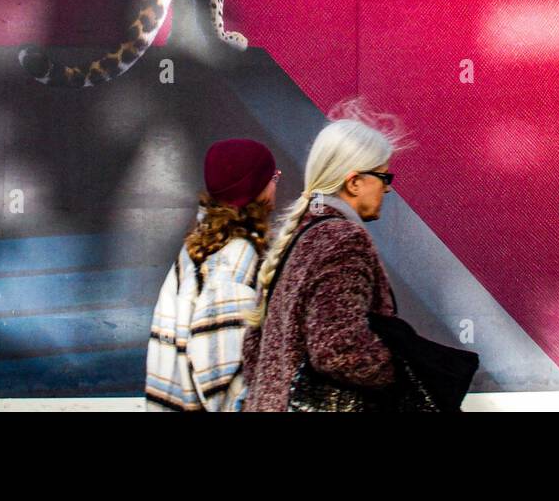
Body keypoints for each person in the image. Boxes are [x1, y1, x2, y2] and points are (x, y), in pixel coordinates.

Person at [241, 108, 403, 411]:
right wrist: (406, 369)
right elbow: (337, 348)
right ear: (354, 182)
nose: (389, 187)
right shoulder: (343, 240)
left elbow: (253, 347)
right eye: (384, 176)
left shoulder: (296, 235)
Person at [145, 138, 278, 411]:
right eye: (272, 177)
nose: (276, 184)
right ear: (258, 190)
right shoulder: (235, 259)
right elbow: (222, 374)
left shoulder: (201, 247)